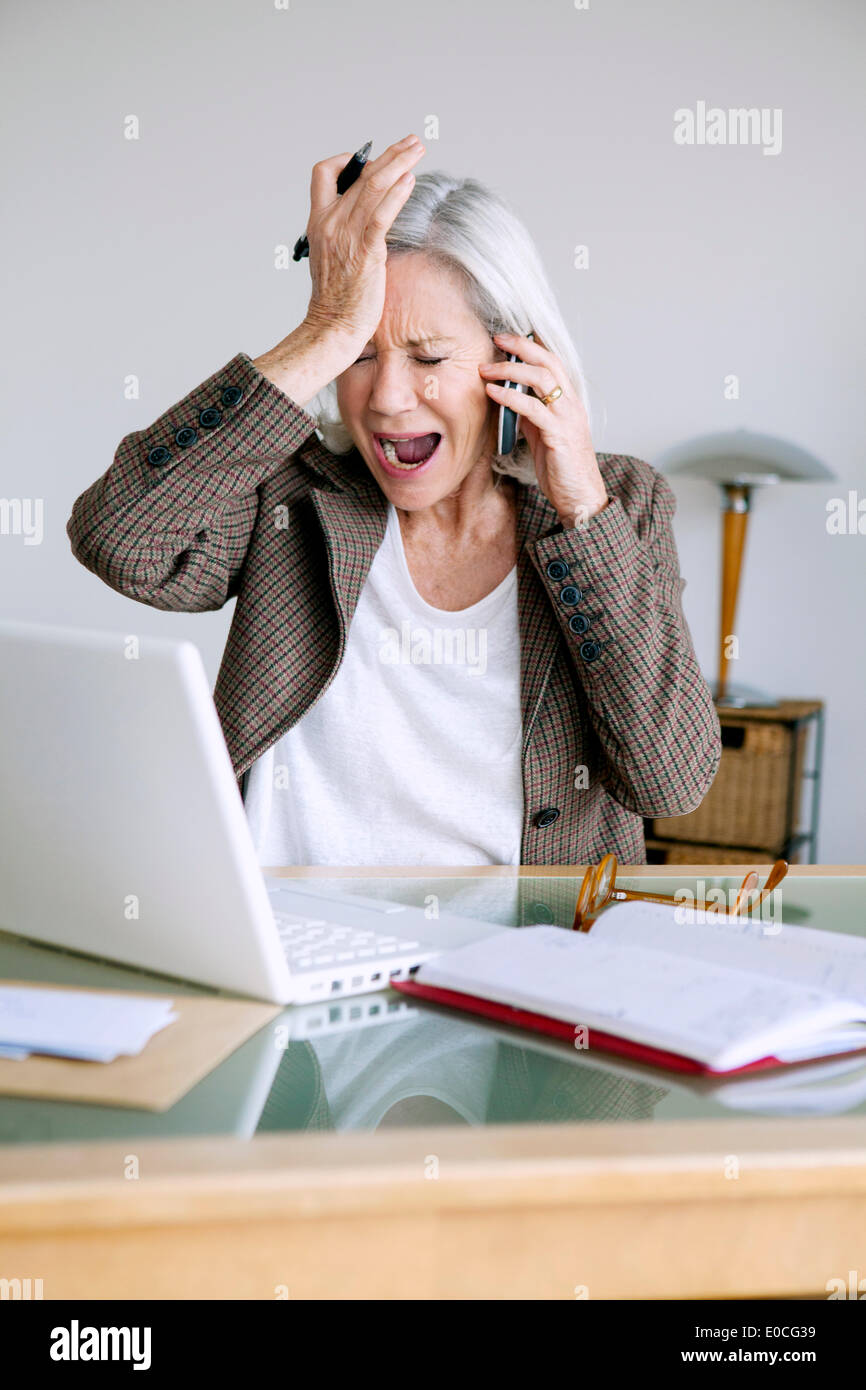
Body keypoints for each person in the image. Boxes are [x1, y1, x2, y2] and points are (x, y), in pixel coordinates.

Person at [67, 132, 721, 867]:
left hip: (507, 950)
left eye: (429, 357)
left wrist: (580, 511)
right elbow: (119, 539)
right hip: (286, 934)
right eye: (359, 355)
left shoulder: (617, 504)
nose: (385, 399)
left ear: (516, 364)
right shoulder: (291, 487)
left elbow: (670, 781)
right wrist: (325, 327)